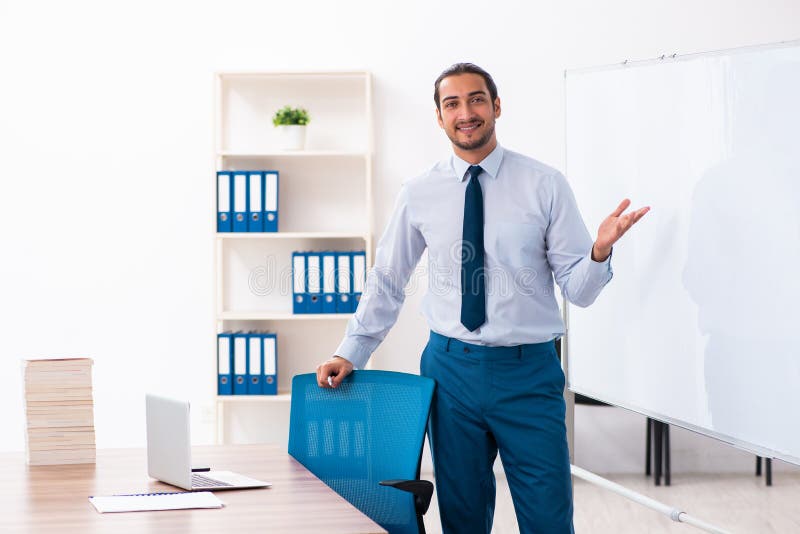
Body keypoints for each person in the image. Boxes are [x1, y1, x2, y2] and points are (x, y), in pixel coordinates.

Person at [316, 63, 649, 533]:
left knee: (549, 517)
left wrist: (598, 251)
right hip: (450, 373)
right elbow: (388, 279)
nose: (465, 112)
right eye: (452, 103)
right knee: (463, 516)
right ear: (439, 117)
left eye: (476, 100)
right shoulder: (419, 192)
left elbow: (579, 289)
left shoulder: (544, 184)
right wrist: (350, 351)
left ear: (496, 106)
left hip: (528, 373)